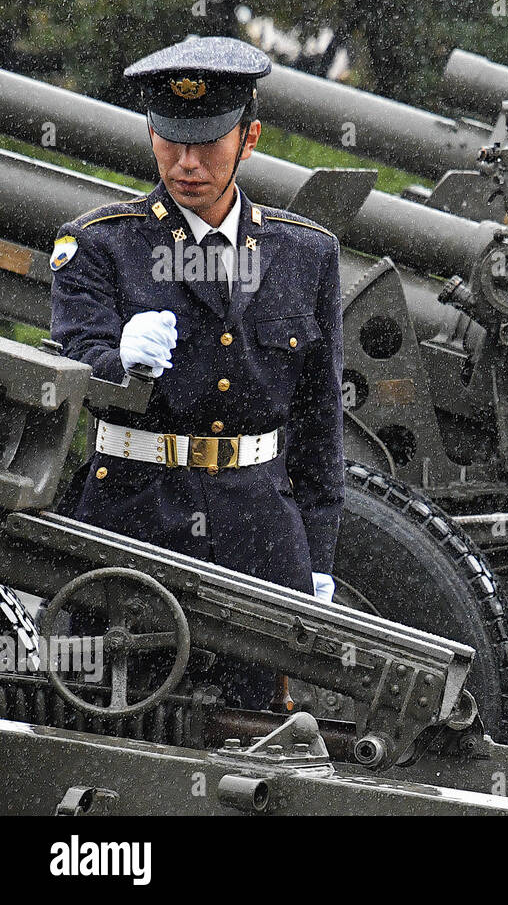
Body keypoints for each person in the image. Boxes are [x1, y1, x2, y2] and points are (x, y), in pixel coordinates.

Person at [49, 36, 344, 708]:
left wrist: (319, 557)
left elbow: (320, 423)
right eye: (169, 140)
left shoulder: (305, 253)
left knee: (252, 732)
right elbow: (67, 357)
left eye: (207, 143)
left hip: (260, 532)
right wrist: (114, 358)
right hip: (130, 516)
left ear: (250, 138)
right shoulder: (100, 242)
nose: (185, 163)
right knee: (112, 724)